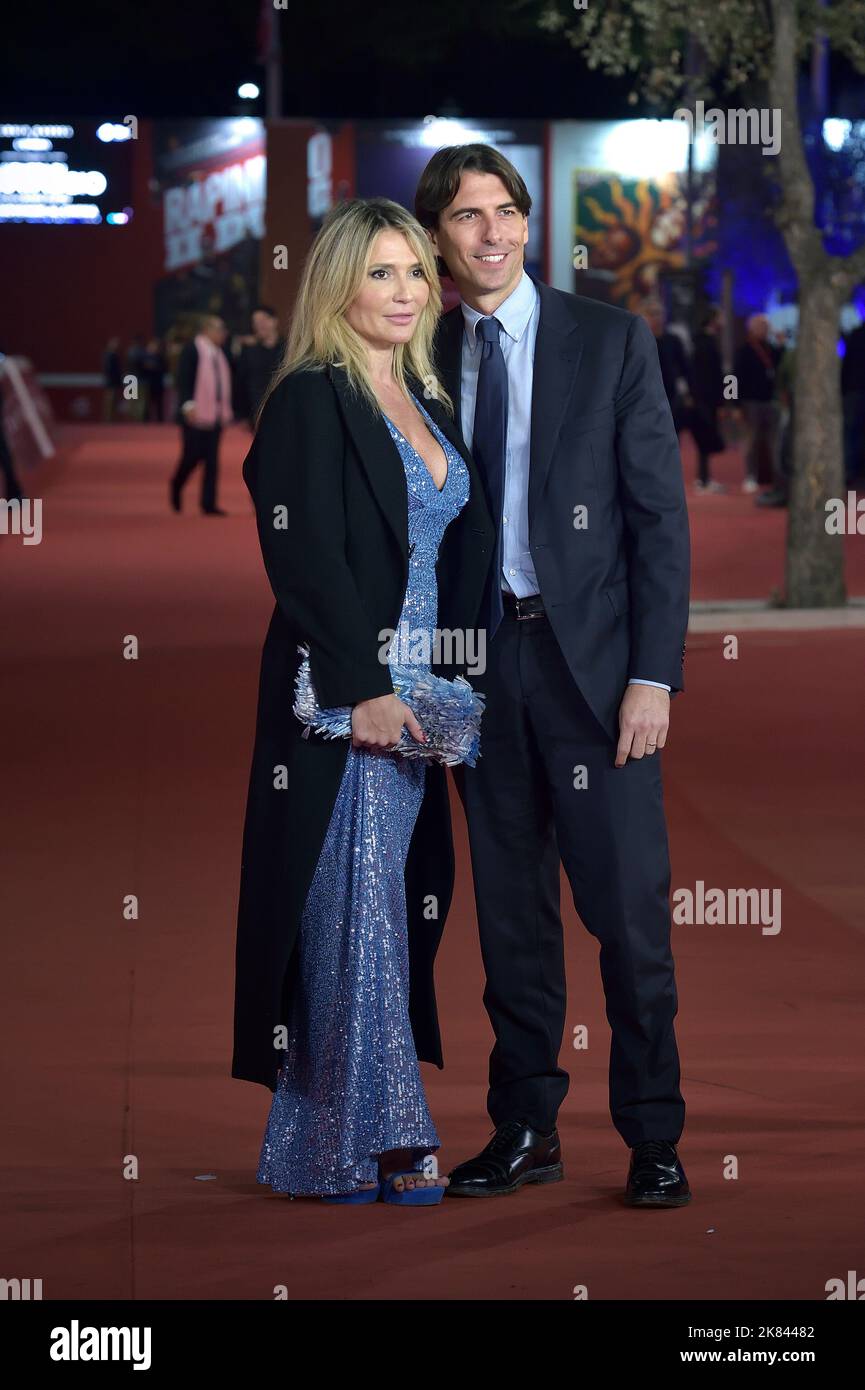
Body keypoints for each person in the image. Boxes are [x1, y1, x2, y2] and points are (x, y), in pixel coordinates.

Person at [416, 143, 692, 1207]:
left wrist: (653, 678)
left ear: (528, 222)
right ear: (435, 236)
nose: (493, 234)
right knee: (512, 919)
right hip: (479, 669)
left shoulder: (608, 338)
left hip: (594, 673)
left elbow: (657, 524)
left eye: (508, 212)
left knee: (628, 917)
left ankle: (652, 1134)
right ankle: (525, 1123)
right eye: (468, 217)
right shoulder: (423, 348)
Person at [231, 197, 495, 1203]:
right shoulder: (312, 394)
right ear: (338, 283)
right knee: (351, 907)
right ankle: (379, 1131)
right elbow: (301, 559)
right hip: (344, 700)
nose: (403, 291)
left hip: (423, 693)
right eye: (378, 272)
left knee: (382, 904)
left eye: (414, 273)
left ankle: (329, 1135)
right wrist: (365, 685)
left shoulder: (421, 394)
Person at [169, 315, 232, 516]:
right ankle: (177, 483)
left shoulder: (221, 353)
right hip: (195, 414)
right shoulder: (193, 349)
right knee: (192, 457)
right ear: (206, 329)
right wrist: (188, 404)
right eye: (219, 329)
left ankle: (208, 504)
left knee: (212, 462)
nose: (223, 334)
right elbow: (184, 378)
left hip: (216, 415)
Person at [733, 314, 782, 497]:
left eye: (766, 326)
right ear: (752, 329)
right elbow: (733, 378)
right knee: (751, 441)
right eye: (761, 326)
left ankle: (775, 478)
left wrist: (781, 344)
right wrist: (734, 405)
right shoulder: (744, 350)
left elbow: (776, 365)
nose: (765, 330)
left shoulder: (771, 349)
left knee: (774, 442)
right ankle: (750, 476)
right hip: (750, 402)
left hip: (770, 400)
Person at [689, 304, 728, 493]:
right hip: (706, 399)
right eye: (720, 317)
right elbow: (712, 375)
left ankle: (704, 478)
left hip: (702, 398)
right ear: (713, 319)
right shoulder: (706, 343)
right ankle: (703, 480)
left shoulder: (700, 341)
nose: (723, 321)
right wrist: (721, 401)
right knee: (705, 439)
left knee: (704, 440)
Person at [233, 306, 286, 429]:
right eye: (255, 322)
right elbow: (240, 382)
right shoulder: (248, 351)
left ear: (274, 321)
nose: (259, 325)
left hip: (284, 411)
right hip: (256, 414)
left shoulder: (289, 349)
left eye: (263, 321)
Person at [141, 338, 167, 422]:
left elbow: (164, 368)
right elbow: (142, 369)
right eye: (152, 346)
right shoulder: (144, 357)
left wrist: (154, 367)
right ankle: (145, 419)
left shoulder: (160, 357)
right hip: (148, 384)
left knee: (159, 403)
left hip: (158, 384)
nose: (154, 348)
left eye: (156, 346)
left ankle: (160, 420)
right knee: (147, 403)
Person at [102, 337, 123, 422]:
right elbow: (108, 369)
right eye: (114, 343)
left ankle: (112, 418)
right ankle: (107, 419)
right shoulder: (108, 355)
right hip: (110, 382)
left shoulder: (115, 355)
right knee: (109, 401)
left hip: (115, 382)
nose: (116, 345)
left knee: (114, 402)